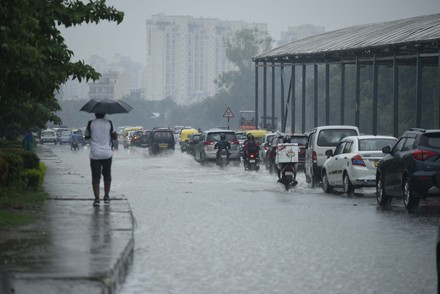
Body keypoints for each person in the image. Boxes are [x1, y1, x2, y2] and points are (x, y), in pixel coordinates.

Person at [84, 113, 117, 207]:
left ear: (95, 114)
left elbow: (86, 136)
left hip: (95, 154)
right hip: (107, 153)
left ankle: (97, 199)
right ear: (104, 114)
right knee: (107, 174)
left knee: (95, 176)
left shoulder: (90, 123)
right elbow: (114, 137)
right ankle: (106, 196)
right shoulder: (109, 123)